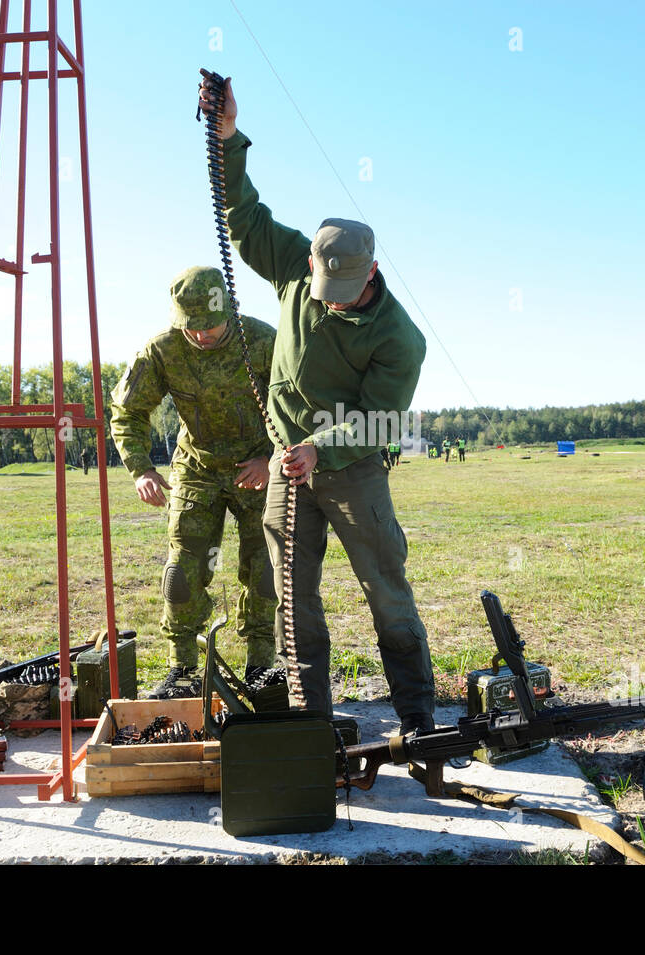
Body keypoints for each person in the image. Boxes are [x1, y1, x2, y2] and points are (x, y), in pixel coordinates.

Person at [200, 76, 435, 733]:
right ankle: (311, 722)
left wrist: (319, 447)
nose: (331, 299)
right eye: (323, 284)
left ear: (372, 273)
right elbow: (243, 218)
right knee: (291, 602)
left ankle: (417, 714)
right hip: (287, 466)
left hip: (353, 468)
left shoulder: (399, 340)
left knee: (385, 592)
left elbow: (379, 421)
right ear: (311, 262)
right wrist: (226, 140)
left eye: (345, 289)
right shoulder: (296, 272)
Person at [110, 266, 282, 699]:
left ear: (229, 310)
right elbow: (128, 411)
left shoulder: (262, 341)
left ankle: (262, 667)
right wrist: (141, 468)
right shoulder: (162, 350)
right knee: (183, 572)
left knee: (264, 571)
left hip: (257, 468)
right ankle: (182, 668)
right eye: (192, 328)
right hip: (197, 469)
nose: (202, 336)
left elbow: (297, 405)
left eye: (211, 326)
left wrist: (270, 458)